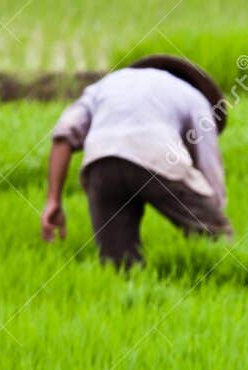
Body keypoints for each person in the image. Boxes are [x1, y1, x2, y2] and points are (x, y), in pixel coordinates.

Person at [41, 55, 233, 268]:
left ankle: (130, 297)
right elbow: (208, 163)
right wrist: (214, 213)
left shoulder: (104, 86)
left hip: (101, 162)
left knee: (119, 265)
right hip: (157, 155)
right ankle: (228, 285)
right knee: (216, 239)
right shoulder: (194, 97)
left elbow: (63, 135)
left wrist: (53, 201)